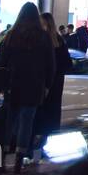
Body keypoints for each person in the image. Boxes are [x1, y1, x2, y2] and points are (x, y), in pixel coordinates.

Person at [0, 2, 55, 174]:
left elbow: (1, 61)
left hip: (13, 85)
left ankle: (2, 157)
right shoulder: (43, 37)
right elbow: (51, 64)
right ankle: (19, 160)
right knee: (26, 122)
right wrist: (47, 85)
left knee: (10, 121)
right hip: (34, 86)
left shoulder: (11, 35)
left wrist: (3, 84)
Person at [34, 12, 72, 153]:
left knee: (40, 113)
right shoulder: (59, 41)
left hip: (44, 83)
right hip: (56, 84)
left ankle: (37, 147)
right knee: (51, 115)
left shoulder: (41, 40)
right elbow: (67, 63)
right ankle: (46, 146)